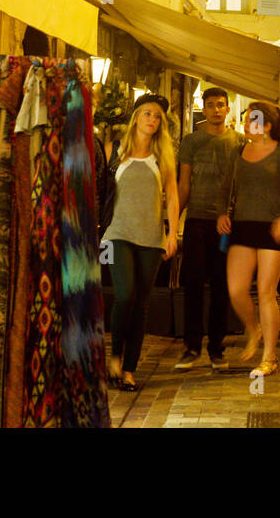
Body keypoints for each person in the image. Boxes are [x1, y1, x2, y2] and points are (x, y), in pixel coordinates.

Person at [216, 101, 280, 377]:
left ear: (267, 126)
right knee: (236, 290)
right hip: (243, 226)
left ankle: (269, 357)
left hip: (273, 228)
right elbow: (225, 187)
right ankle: (254, 328)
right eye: (245, 120)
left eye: (252, 120)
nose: (245, 125)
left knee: (266, 292)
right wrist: (221, 213)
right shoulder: (238, 151)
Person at [101, 93, 180, 392]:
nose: (152, 120)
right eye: (147, 113)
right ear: (136, 117)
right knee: (125, 296)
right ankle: (116, 356)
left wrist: (172, 233)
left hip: (150, 238)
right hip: (116, 234)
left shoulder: (163, 156)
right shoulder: (114, 150)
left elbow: (172, 195)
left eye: (157, 116)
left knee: (142, 304)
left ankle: (130, 369)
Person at [173, 86, 243, 372]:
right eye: (211, 105)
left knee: (221, 286)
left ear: (228, 109)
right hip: (197, 221)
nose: (216, 109)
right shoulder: (191, 142)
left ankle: (216, 347)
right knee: (192, 284)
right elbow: (184, 183)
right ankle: (191, 347)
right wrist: (173, 220)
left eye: (221, 105)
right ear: (204, 109)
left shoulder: (239, 142)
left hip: (226, 224)